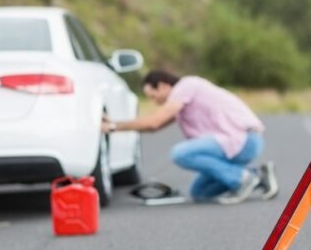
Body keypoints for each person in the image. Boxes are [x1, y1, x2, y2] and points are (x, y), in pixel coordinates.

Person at [101, 70, 278, 204]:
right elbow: (154, 127)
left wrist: (113, 127)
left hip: (244, 139)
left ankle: (242, 179)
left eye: (153, 96)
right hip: (231, 143)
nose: (155, 102)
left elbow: (154, 122)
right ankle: (258, 175)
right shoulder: (181, 100)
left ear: (163, 85)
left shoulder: (186, 86)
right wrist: (115, 123)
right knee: (200, 193)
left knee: (180, 153)